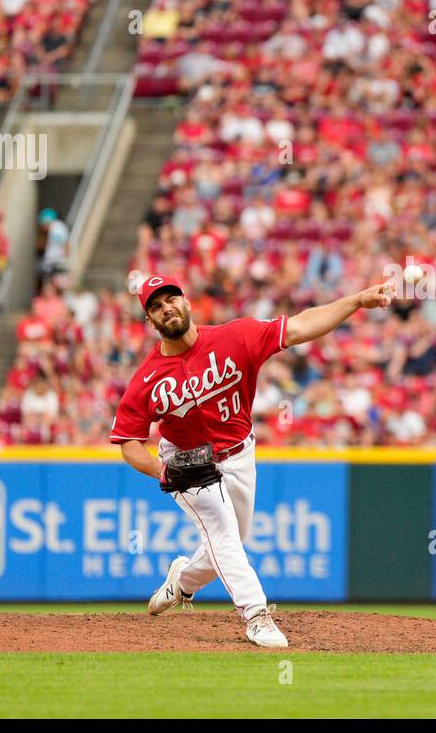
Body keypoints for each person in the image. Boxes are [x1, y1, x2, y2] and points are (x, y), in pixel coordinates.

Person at [110, 273, 395, 647]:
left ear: (187, 301)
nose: (167, 308)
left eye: (171, 299)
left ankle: (181, 580)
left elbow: (299, 327)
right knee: (224, 536)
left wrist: (356, 301)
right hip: (187, 463)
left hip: (240, 452)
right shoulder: (147, 379)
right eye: (156, 306)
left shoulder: (234, 337)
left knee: (227, 544)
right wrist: (161, 470)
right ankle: (256, 615)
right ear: (150, 321)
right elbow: (128, 442)